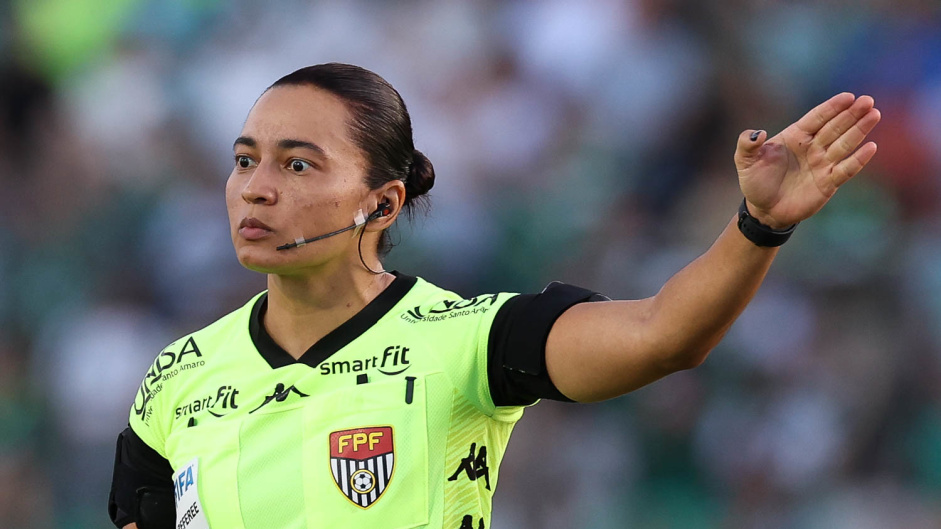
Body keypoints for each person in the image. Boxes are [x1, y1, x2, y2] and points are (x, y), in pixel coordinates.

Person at [108, 63, 880, 529]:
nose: (256, 189)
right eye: (245, 161)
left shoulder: (463, 340)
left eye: (298, 165)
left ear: (379, 203)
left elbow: (662, 334)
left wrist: (758, 224)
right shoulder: (178, 377)